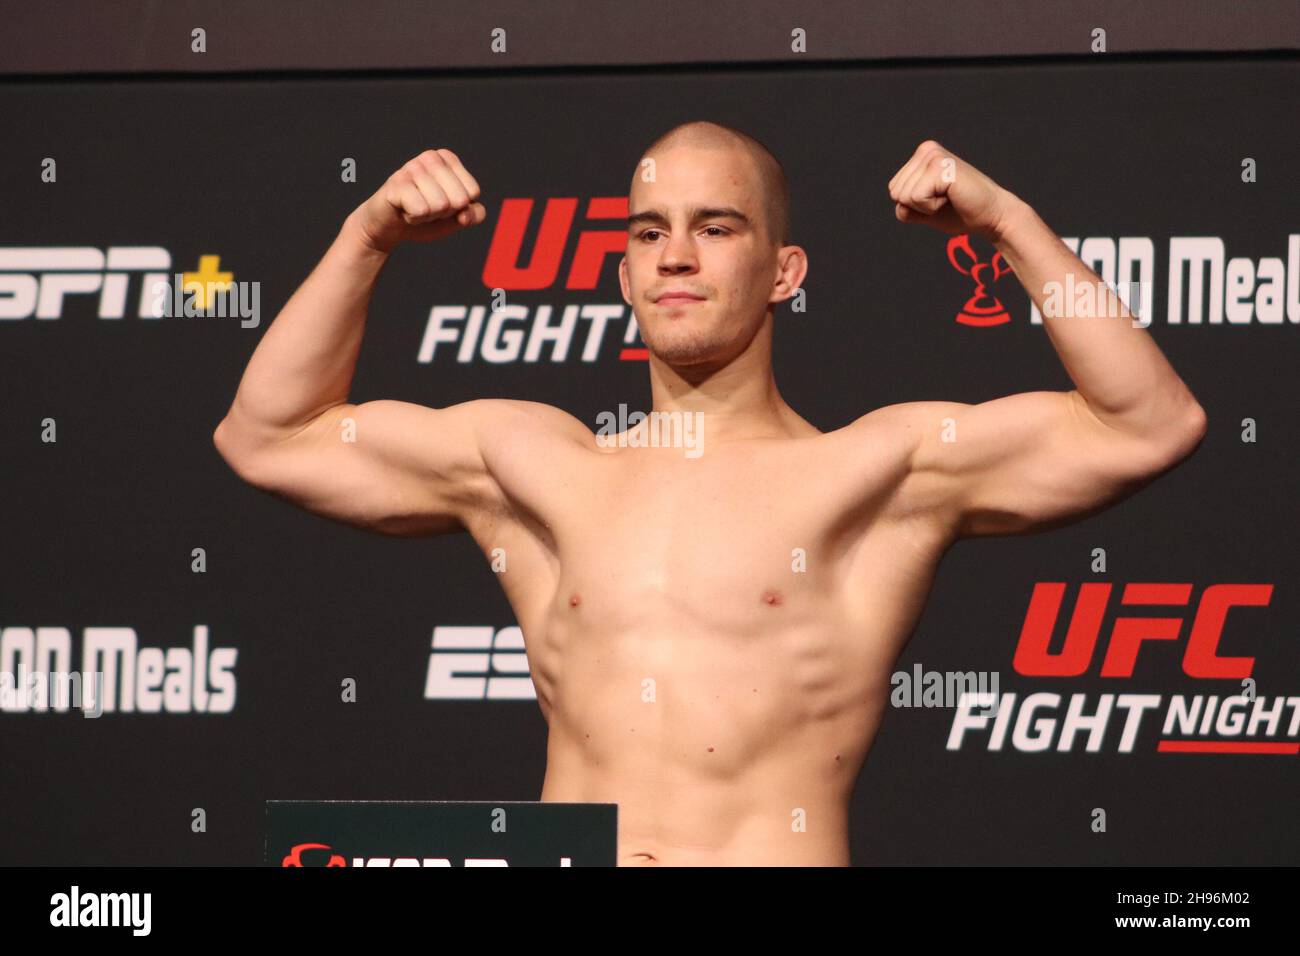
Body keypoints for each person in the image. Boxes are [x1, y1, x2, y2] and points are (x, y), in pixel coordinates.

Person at [214, 121, 1206, 865]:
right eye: (649, 233)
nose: (675, 255)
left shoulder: (874, 472)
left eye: (715, 227)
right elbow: (269, 434)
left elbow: (1145, 422)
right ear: (623, 272)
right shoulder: (537, 467)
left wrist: (1006, 222)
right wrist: (366, 235)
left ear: (784, 271)